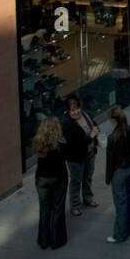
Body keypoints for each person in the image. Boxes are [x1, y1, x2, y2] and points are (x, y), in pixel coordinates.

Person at [104, 105, 130, 244]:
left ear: (113, 120)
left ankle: (120, 234)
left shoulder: (112, 138)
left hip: (119, 171)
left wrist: (108, 178)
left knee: (121, 203)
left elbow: (110, 161)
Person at [32, 116, 68, 250]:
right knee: (57, 208)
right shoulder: (60, 145)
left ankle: (43, 240)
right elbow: (67, 156)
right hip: (58, 178)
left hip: (42, 179)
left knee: (44, 209)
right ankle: (56, 240)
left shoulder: (38, 143)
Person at [61, 96, 100, 217]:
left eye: (77, 109)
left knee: (88, 177)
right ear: (68, 111)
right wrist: (91, 136)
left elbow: (94, 124)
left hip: (89, 153)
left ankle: (88, 198)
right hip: (76, 157)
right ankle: (75, 205)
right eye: (73, 110)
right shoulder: (67, 123)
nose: (76, 112)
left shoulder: (86, 115)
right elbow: (74, 143)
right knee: (76, 181)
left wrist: (96, 130)